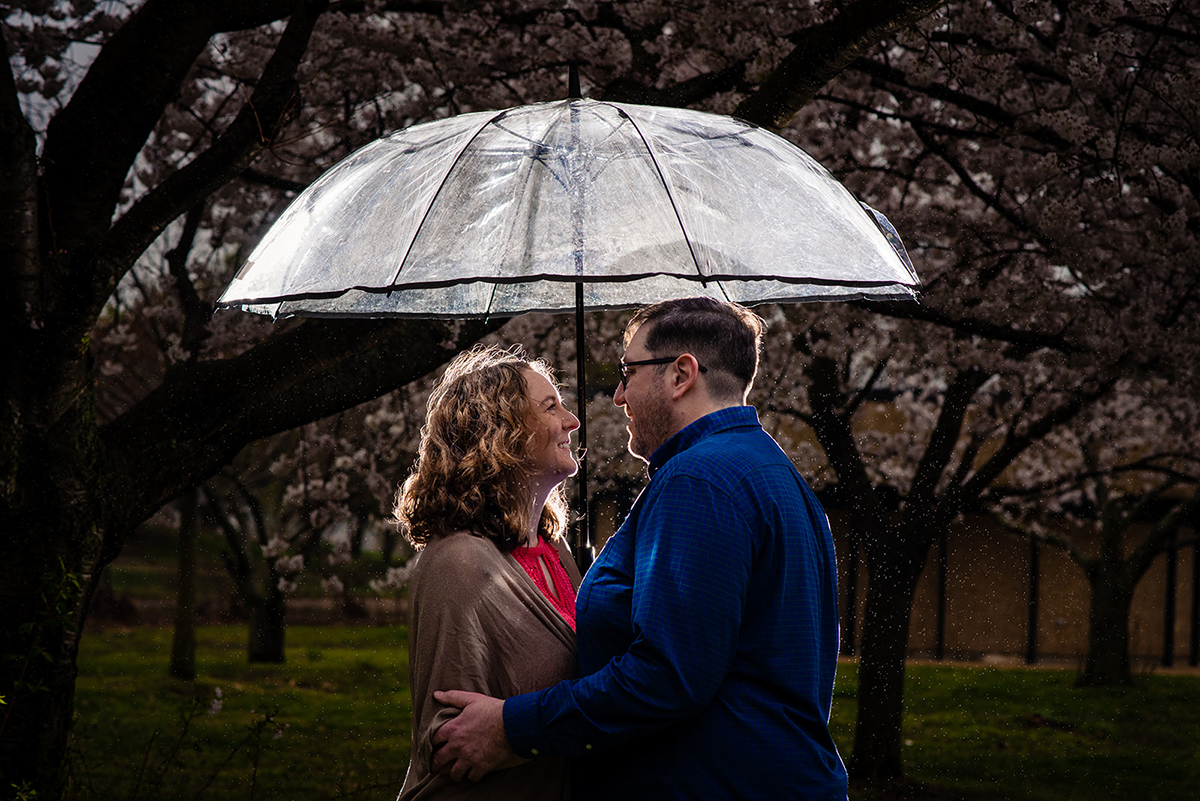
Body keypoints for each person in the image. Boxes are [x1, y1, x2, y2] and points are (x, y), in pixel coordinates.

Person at [430, 297, 849, 800]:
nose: (618, 395)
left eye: (628, 372)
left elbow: (666, 676)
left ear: (681, 375)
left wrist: (513, 729)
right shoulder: (773, 473)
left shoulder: (700, 480)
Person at [394, 344, 583, 800]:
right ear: (501, 433)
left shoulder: (556, 552)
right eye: (550, 406)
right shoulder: (460, 563)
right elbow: (453, 743)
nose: (572, 421)